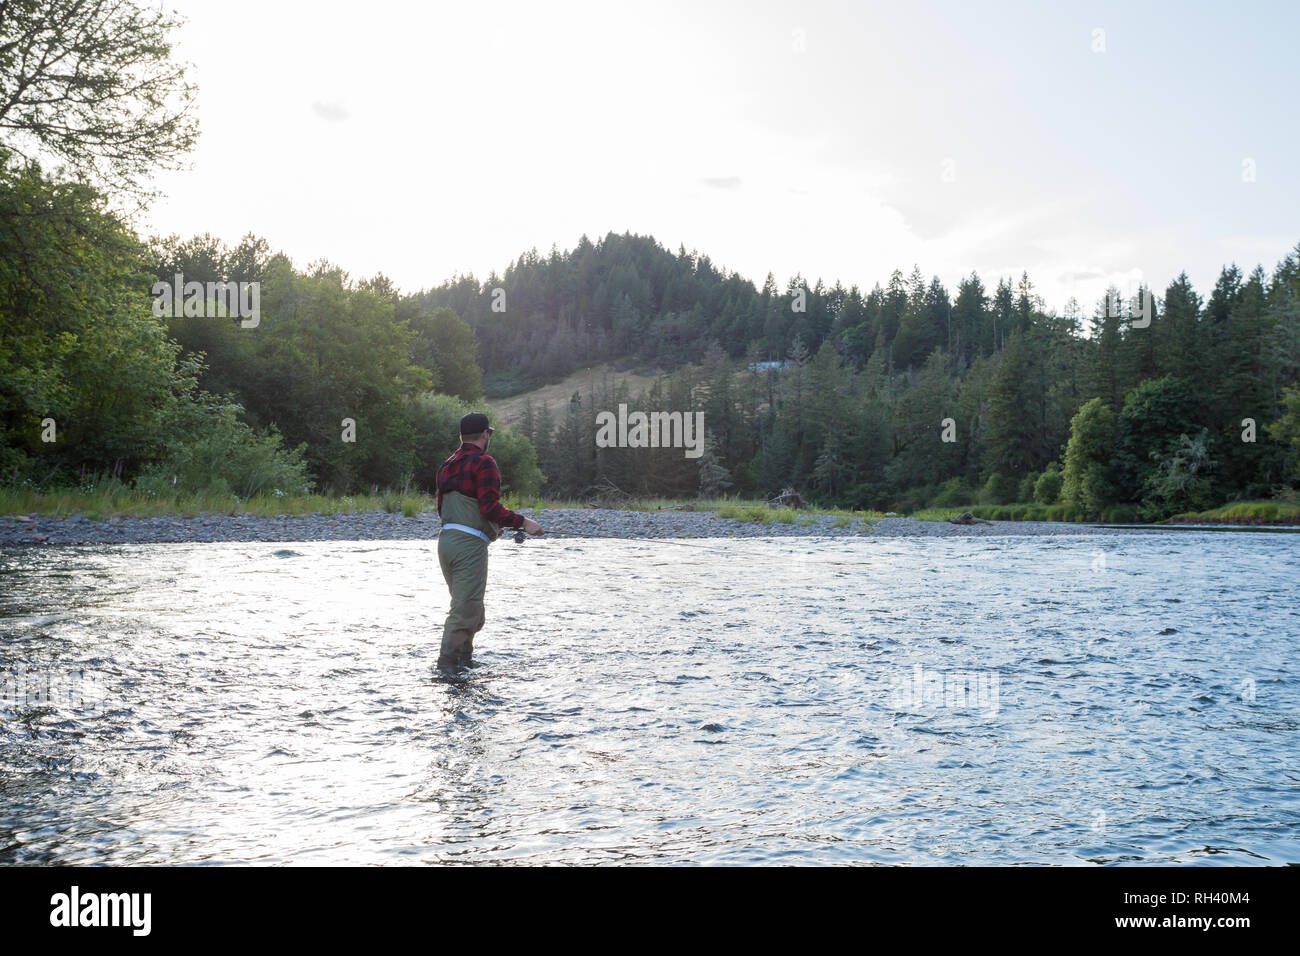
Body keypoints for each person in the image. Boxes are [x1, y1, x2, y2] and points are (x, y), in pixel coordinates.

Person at [434, 412, 543, 671]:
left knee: (471, 610)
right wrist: (524, 522)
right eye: (488, 434)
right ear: (485, 435)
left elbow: (445, 511)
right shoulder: (484, 463)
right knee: (464, 613)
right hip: (467, 548)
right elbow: (489, 507)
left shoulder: (447, 464)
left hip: (446, 543)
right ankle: (446, 671)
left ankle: (464, 665)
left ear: (462, 436)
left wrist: (487, 530)